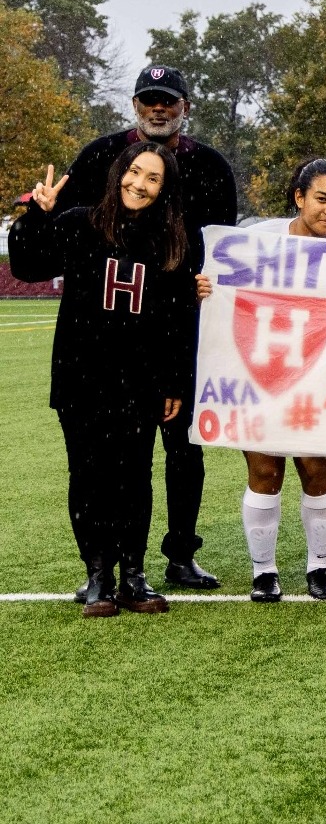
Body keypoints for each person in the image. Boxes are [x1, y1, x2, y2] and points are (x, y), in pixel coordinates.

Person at [52, 63, 236, 591]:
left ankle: (181, 552)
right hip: (108, 325)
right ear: (135, 105)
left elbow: (220, 242)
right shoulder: (98, 155)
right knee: (113, 458)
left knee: (183, 444)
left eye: (169, 101)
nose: (159, 109)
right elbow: (67, 236)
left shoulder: (211, 166)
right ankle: (109, 566)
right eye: (149, 100)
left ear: (185, 106)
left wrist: (203, 285)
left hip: (182, 317)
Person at [12, 145, 195, 617]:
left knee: (135, 476)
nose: (139, 183)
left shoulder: (174, 238)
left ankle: (133, 574)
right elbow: (27, 266)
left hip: (141, 379)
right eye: (134, 172)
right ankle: (98, 575)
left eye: (152, 178)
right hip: (82, 376)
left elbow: (177, 318)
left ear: (165, 187)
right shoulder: (80, 223)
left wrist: (174, 380)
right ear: (119, 174)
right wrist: (37, 212)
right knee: (89, 476)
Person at [203, 159, 326, 601]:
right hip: (258, 369)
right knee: (264, 469)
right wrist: (207, 288)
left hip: (313, 373)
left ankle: (319, 568)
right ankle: (264, 571)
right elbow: (223, 291)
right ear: (300, 197)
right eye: (322, 199)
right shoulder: (258, 240)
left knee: (316, 466)